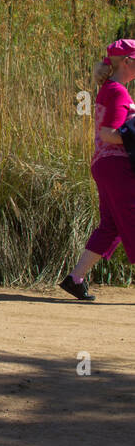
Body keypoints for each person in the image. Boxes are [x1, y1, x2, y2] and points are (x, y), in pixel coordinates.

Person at [62, 39, 135, 299]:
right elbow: (109, 133)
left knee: (111, 226)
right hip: (117, 166)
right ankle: (75, 277)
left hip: (105, 165)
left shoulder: (110, 89)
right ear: (126, 62)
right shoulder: (117, 91)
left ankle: (75, 278)